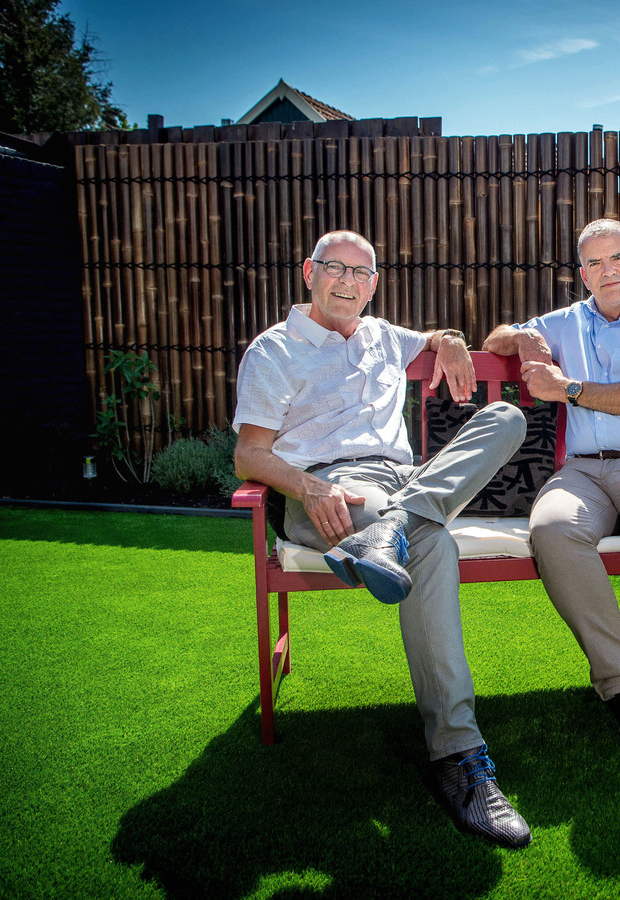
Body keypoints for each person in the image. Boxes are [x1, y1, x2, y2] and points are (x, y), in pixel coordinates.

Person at [232, 229, 532, 848]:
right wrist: (309, 491)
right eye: (334, 268)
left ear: (374, 285)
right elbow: (248, 455)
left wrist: (448, 341)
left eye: (361, 273)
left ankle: (393, 528)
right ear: (309, 273)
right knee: (432, 544)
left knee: (506, 417)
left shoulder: (379, 335)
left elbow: (429, 339)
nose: (347, 282)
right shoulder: (274, 350)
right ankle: (458, 757)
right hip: (328, 492)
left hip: (403, 482)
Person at [482, 218, 620, 762]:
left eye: (617, 258)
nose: (608, 272)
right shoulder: (565, 322)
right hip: (583, 472)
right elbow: (493, 340)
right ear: (582, 273)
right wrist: (528, 337)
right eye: (595, 263)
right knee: (553, 529)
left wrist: (570, 390)